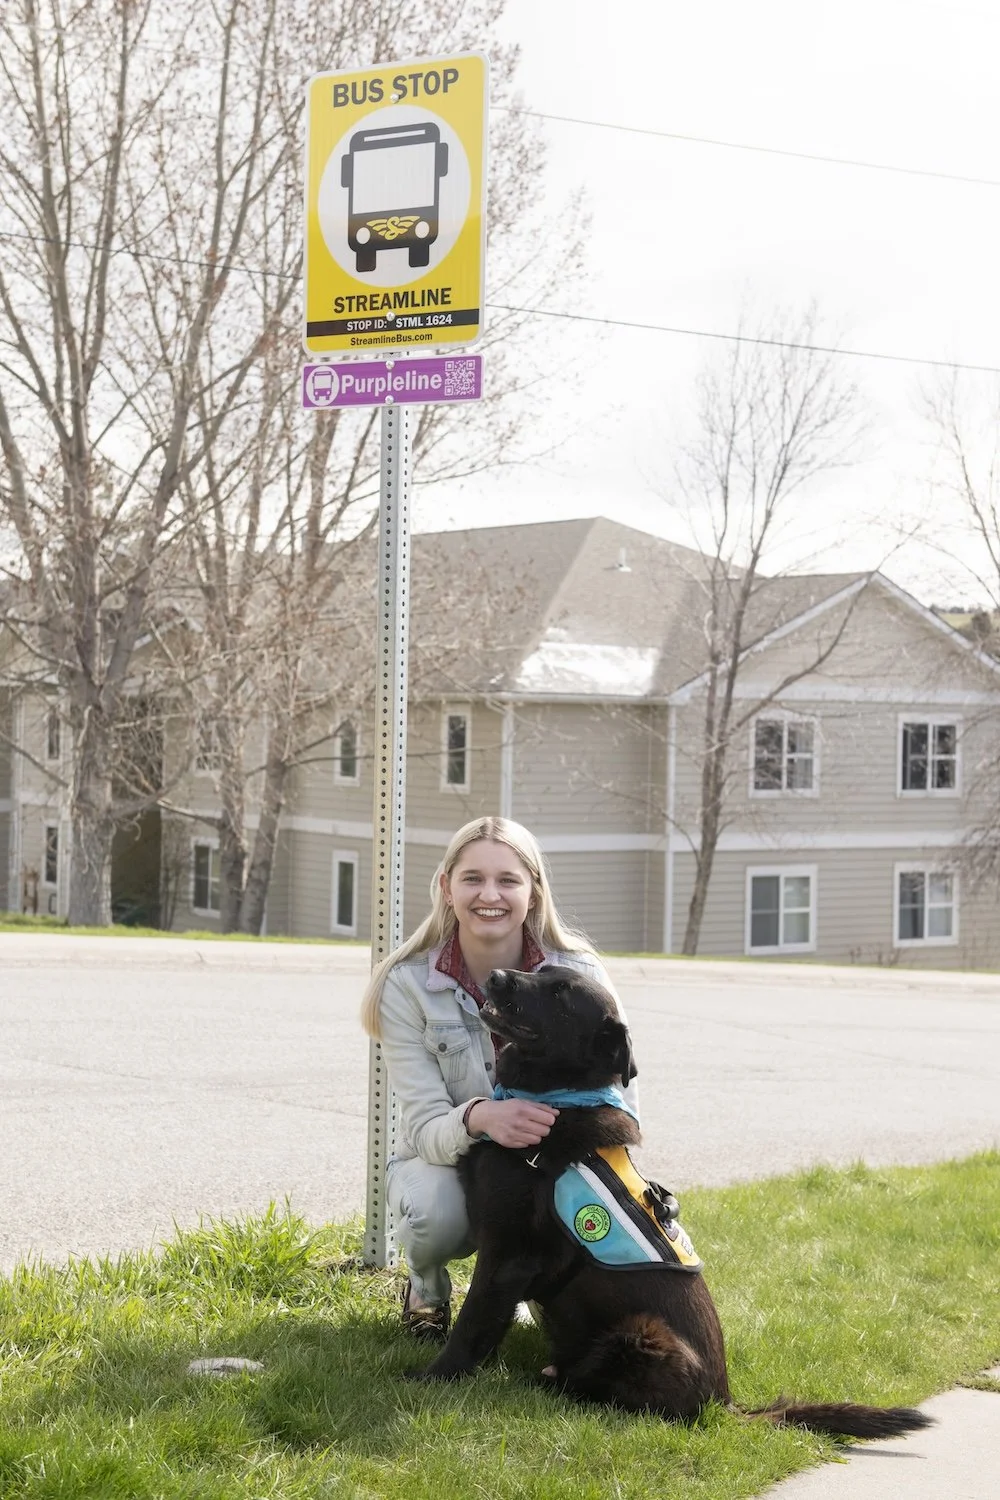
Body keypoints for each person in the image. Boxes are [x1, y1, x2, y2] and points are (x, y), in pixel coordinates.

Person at [359, 815, 639, 1341]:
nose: (491, 895)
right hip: (449, 1157)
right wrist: (482, 1116)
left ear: (534, 892)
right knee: (434, 1214)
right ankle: (427, 1289)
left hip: (551, 1161)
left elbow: (620, 1105)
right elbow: (424, 1130)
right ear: (446, 888)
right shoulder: (407, 986)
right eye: (472, 879)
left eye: (508, 880)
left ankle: (537, 1293)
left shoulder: (581, 975)